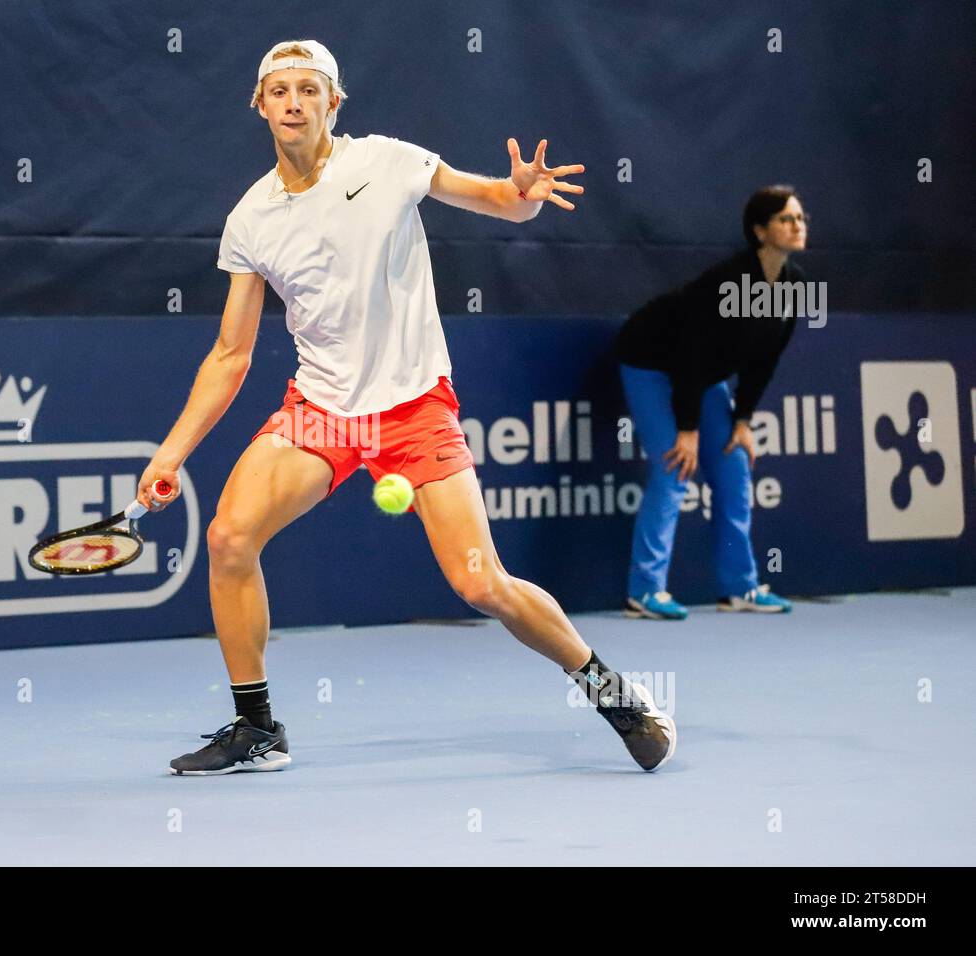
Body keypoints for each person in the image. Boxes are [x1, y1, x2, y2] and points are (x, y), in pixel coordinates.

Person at [137, 39, 675, 774]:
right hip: (320, 409)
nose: (294, 101)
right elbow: (231, 355)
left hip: (414, 406)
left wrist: (520, 193)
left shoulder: (386, 162)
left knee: (480, 582)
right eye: (280, 90)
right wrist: (170, 454)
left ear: (334, 101)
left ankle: (614, 693)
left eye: (309, 88)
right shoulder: (251, 218)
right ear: (258, 105)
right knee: (230, 538)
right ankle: (257, 729)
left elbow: (495, 199)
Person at [615, 185, 809, 620]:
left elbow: (766, 358)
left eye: (800, 218)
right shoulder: (728, 283)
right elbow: (691, 355)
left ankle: (739, 588)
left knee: (734, 465)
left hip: (702, 377)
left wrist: (742, 419)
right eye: (786, 219)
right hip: (650, 360)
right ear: (760, 231)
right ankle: (644, 591)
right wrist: (687, 431)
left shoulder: (795, 286)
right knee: (674, 467)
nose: (798, 226)